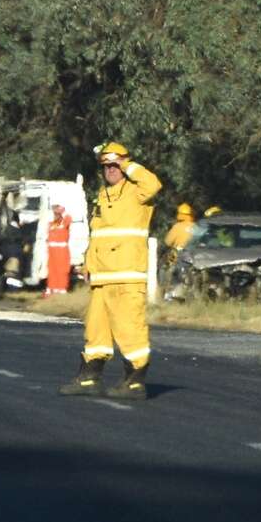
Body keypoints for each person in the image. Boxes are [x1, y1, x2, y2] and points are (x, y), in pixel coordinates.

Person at [60, 142, 162, 401]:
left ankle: (135, 382)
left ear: (125, 164)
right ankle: (89, 378)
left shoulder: (137, 192)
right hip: (102, 279)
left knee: (130, 329)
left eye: (115, 165)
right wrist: (88, 264)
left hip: (127, 277)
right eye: (106, 166)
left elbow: (153, 184)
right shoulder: (103, 196)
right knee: (96, 331)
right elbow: (99, 236)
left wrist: (126, 163)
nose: (111, 170)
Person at [45, 203, 73, 295]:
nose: (55, 214)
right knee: (51, 269)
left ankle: (61, 288)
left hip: (62, 249)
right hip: (52, 250)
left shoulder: (66, 220)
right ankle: (52, 287)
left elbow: (68, 219)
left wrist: (62, 211)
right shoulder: (51, 223)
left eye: (57, 212)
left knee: (62, 269)